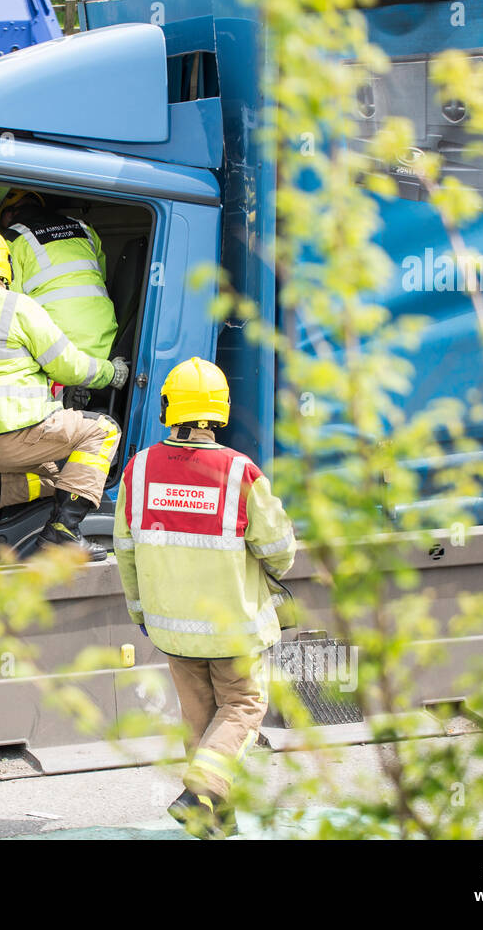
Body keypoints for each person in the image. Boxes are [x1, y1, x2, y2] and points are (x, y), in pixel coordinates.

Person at [114, 357, 296, 837]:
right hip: (231, 626)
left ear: (168, 409)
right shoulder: (240, 473)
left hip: (171, 626)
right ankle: (198, 794)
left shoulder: (139, 469)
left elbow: (125, 549)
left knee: (200, 717)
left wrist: (141, 612)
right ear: (221, 412)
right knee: (241, 707)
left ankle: (217, 820)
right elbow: (279, 549)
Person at [0, 221, 129, 560]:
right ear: (4, 265)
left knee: (69, 479)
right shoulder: (18, 306)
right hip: (14, 433)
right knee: (103, 432)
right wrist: (110, 372)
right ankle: (63, 532)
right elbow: (69, 366)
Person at [0, 191, 119, 397]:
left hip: (60, 348)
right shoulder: (85, 228)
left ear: (8, 215)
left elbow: (9, 305)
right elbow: (102, 277)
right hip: (107, 340)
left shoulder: (12, 240)